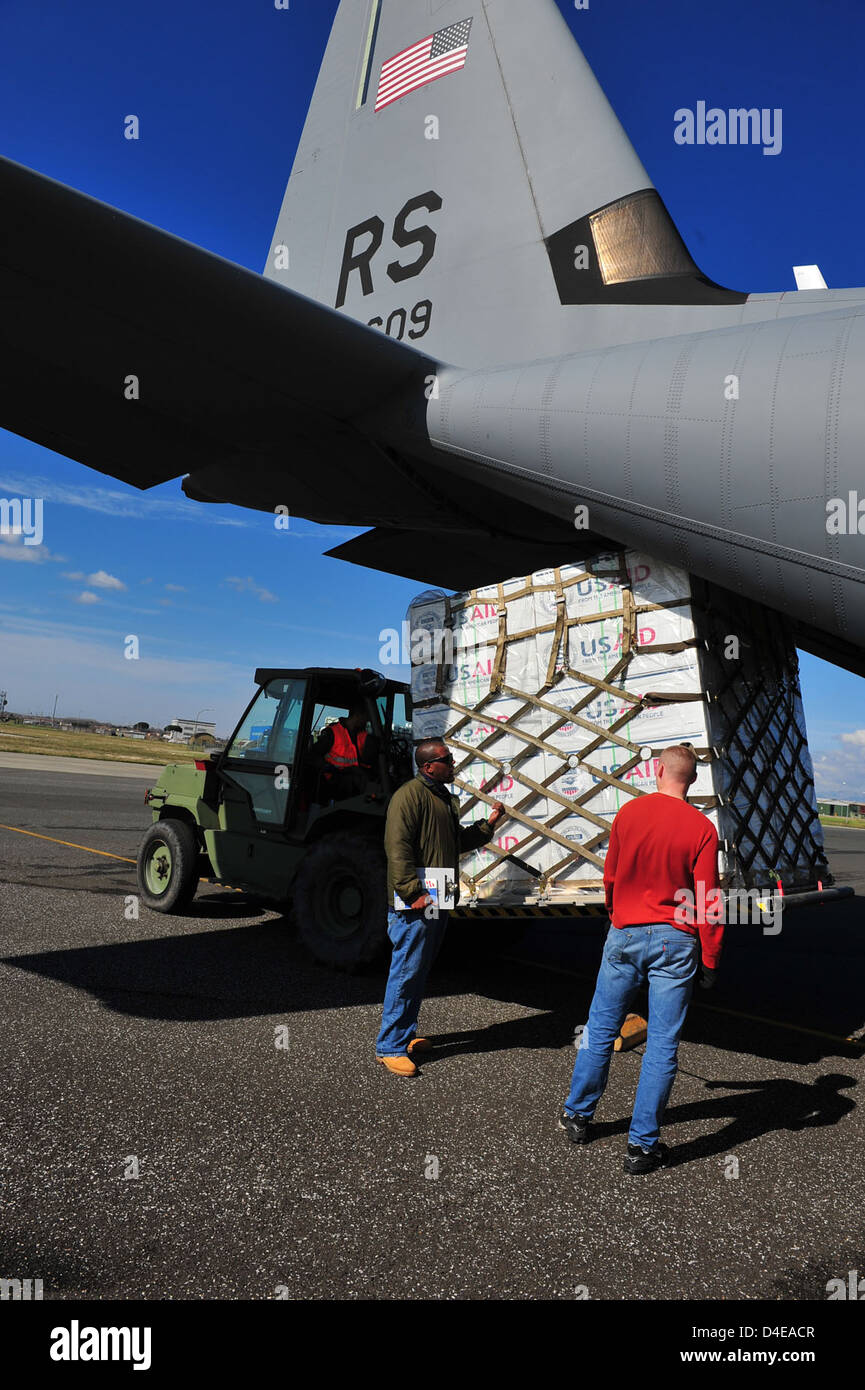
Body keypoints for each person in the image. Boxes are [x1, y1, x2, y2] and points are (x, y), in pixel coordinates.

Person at [559, 744, 723, 1173]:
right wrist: (710, 957)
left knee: (600, 1028)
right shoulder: (703, 828)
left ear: (659, 771)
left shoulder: (629, 815)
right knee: (663, 1044)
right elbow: (708, 901)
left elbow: (610, 876)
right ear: (693, 779)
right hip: (676, 941)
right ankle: (642, 1146)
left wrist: (620, 917)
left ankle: (578, 1115)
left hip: (625, 932)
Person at [375, 738, 506, 1076]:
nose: (454, 763)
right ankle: (389, 1046)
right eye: (447, 759)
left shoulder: (442, 798)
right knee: (406, 972)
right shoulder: (409, 797)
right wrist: (411, 891)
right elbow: (397, 847)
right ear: (429, 766)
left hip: (437, 899)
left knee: (418, 971)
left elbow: (455, 842)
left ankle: (404, 1035)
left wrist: (488, 826)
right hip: (415, 902)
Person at [314, 703, 378, 800]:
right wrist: (330, 768)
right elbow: (314, 755)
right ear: (357, 716)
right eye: (365, 717)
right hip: (333, 782)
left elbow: (366, 759)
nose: (367, 720)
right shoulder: (332, 733)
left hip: (352, 781)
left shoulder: (361, 735)